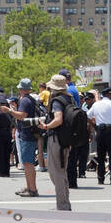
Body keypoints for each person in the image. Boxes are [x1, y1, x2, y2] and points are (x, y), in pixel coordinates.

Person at [39, 74, 75, 211]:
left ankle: (63, 205)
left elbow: (58, 119)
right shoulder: (70, 99)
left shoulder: (57, 101)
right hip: (66, 139)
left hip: (57, 139)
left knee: (56, 172)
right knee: (62, 171)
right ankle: (64, 202)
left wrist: (46, 126)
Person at [90, 85, 111, 185]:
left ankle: (100, 178)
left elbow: (87, 115)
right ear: (108, 94)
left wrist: (94, 125)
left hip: (100, 130)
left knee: (101, 157)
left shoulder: (96, 104)